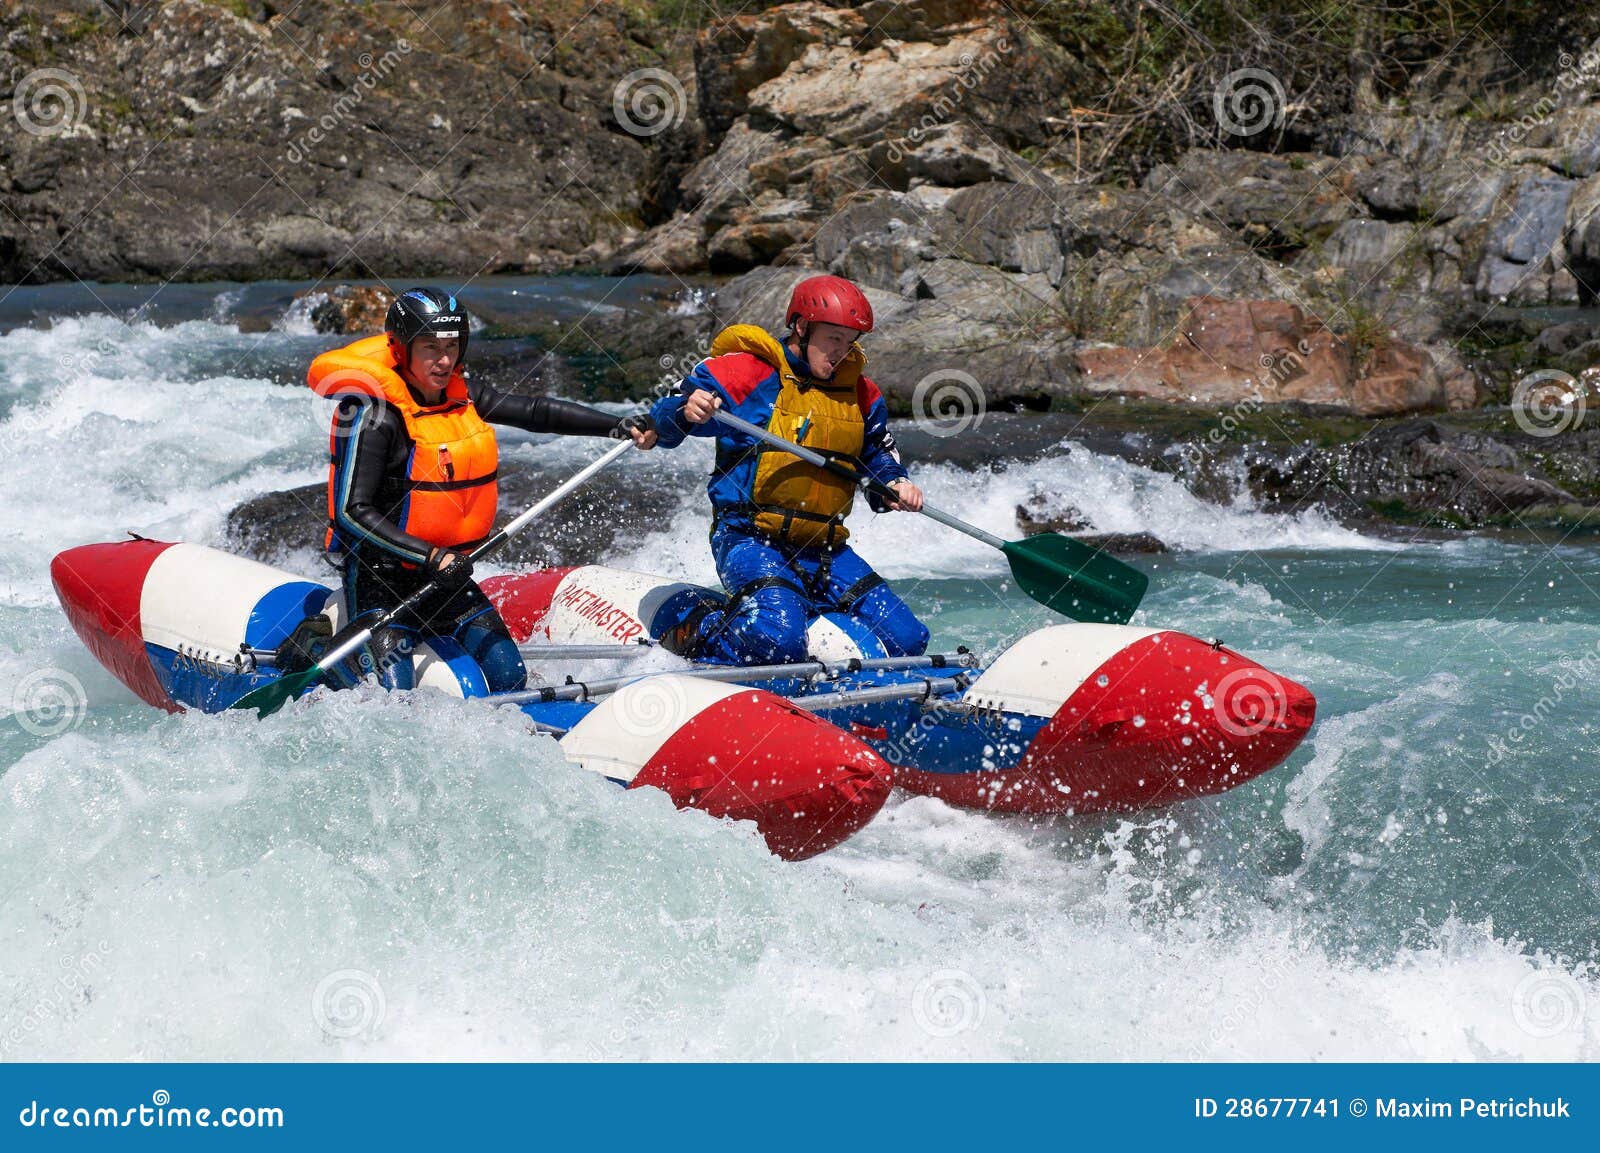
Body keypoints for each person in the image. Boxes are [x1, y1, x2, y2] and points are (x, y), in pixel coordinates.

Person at [305, 287, 655, 692]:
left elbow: (537, 412)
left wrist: (618, 425)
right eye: (430, 347)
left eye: (452, 346)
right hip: (381, 580)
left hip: (446, 578)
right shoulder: (371, 417)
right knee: (394, 690)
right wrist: (431, 556)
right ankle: (317, 650)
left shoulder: (464, 395)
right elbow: (350, 512)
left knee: (510, 675)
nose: (444, 360)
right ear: (400, 349)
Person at [649, 274, 929, 665]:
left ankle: (806, 626)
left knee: (909, 640)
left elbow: (877, 455)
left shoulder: (862, 395)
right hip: (749, 540)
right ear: (801, 326)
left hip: (825, 550)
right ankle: (698, 630)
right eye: (833, 338)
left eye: (849, 342)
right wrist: (685, 410)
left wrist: (894, 483)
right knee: (778, 639)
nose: (841, 352)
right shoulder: (748, 375)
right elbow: (662, 421)